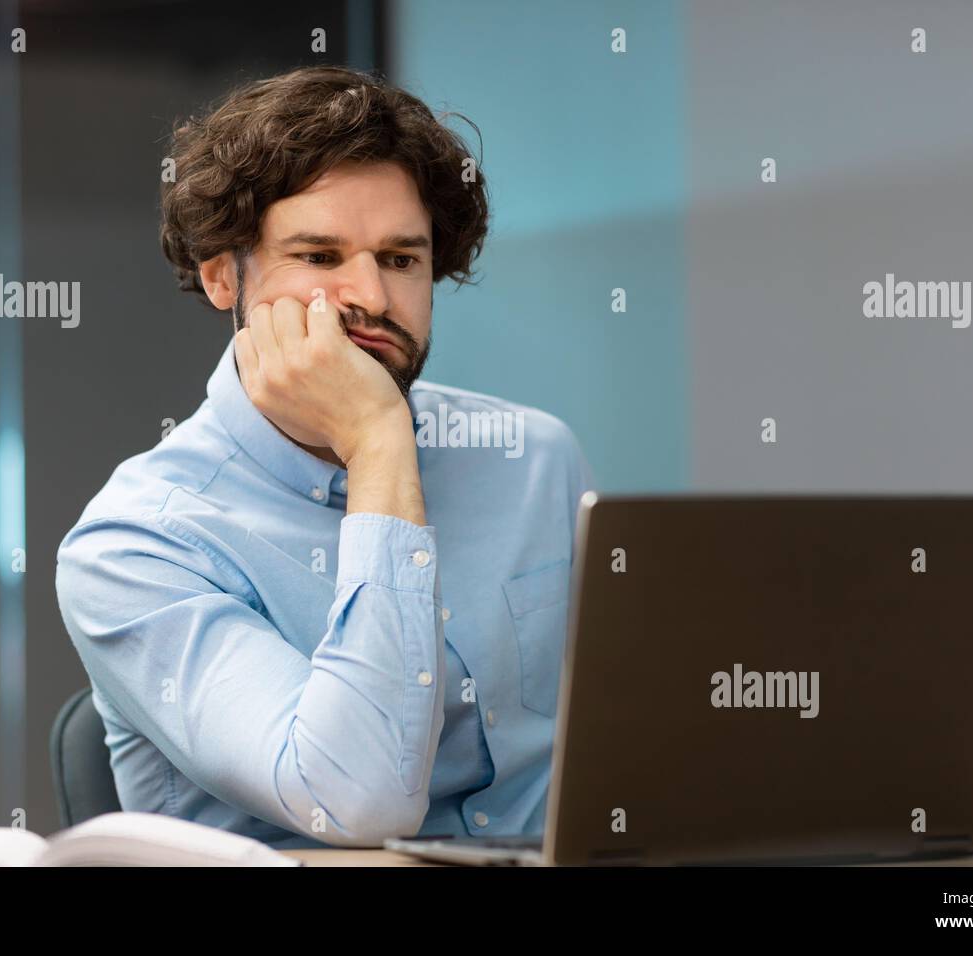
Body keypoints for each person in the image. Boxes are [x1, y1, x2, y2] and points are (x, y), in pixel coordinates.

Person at [55, 65, 594, 848]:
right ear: (220, 274)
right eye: (319, 256)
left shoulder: (535, 459)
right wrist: (377, 441)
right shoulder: (134, 544)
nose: (371, 297)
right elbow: (355, 802)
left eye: (401, 259)